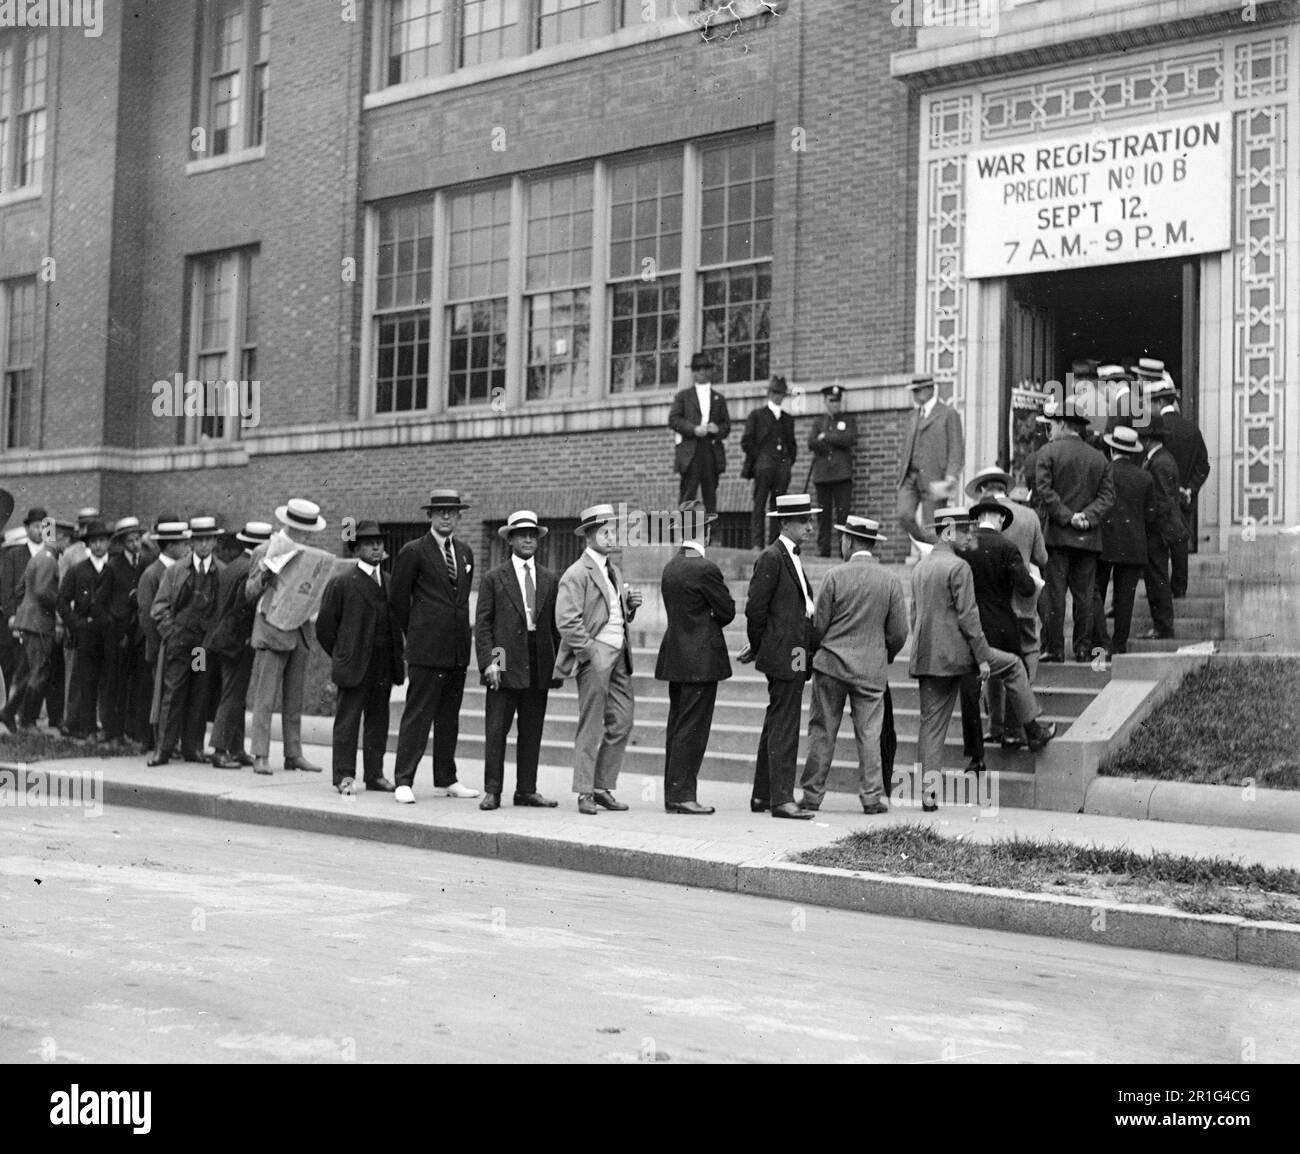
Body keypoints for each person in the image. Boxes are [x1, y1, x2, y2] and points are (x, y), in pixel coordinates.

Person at [909, 507, 1055, 809]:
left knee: (931, 726)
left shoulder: (921, 567)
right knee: (1015, 665)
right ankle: (1032, 729)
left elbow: (915, 616)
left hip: (927, 656)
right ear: (948, 532)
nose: (968, 535)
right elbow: (968, 617)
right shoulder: (957, 566)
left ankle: (928, 794)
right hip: (961, 655)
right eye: (963, 530)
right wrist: (983, 658)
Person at [797, 515, 907, 815]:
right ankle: (872, 797)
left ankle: (811, 795)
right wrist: (884, 655)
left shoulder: (834, 575)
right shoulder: (890, 580)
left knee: (822, 730)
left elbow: (819, 626)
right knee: (870, 733)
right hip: (870, 670)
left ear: (849, 541)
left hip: (831, 665)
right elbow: (899, 632)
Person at [389, 488, 478, 802]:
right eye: (439, 511)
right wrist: (416, 634)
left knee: (449, 717)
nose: (445, 516)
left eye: (451, 512)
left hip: (456, 650)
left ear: (458, 516)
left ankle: (446, 778)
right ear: (429, 515)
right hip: (426, 649)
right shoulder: (414, 550)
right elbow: (398, 600)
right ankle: (403, 780)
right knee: (418, 715)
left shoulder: (466, 553)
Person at [554, 504, 641, 815]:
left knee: (622, 721)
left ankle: (602, 786)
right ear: (588, 536)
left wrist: (629, 606)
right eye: (605, 531)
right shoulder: (577, 572)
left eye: (614, 530)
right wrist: (589, 652)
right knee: (591, 725)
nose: (611, 536)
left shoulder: (612, 570)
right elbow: (566, 620)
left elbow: (609, 611)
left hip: (619, 656)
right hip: (596, 656)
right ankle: (585, 792)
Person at [474, 510, 561, 811]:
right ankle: (492, 790)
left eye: (532, 534)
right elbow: (484, 625)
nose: (527, 539)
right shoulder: (493, 578)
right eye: (521, 534)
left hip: (538, 659)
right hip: (506, 658)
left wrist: (557, 664)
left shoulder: (550, 578)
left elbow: (554, 626)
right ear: (510, 539)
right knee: (497, 728)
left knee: (532, 728)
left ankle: (526, 789)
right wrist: (492, 663)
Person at [654, 499, 734, 815]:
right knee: (693, 730)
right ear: (705, 530)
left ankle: (674, 793)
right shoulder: (705, 568)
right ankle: (683, 796)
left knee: (678, 727)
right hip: (702, 661)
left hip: (676, 657)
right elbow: (727, 610)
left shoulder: (671, 566)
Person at [743, 492, 820, 820]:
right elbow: (755, 609)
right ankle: (782, 800)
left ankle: (764, 795)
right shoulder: (773, 557)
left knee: (779, 718)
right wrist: (761, 647)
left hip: (797, 652)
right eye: (804, 521)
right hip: (785, 653)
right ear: (785, 523)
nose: (810, 527)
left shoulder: (790, 556)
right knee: (785, 724)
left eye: (811, 520)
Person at [317, 520, 402, 795]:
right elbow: (325, 628)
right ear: (357, 548)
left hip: (383, 664)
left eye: (379, 543)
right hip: (354, 664)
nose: (376, 547)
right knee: (348, 722)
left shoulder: (389, 582)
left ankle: (375, 774)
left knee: (378, 722)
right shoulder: (343, 583)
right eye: (368, 543)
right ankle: (344, 776)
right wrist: (343, 653)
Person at [245, 498, 328, 776]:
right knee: (265, 696)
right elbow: (249, 592)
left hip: (300, 629)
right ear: (289, 526)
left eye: (308, 532)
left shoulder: (307, 552)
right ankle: (260, 753)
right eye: (302, 531)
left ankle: (293, 753)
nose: (305, 536)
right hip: (272, 628)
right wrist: (266, 573)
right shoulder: (264, 550)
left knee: (294, 698)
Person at [966, 465, 1047, 748]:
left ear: (982, 491)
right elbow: (1042, 558)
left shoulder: (969, 539)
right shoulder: (1028, 515)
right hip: (1019, 607)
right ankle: (1018, 729)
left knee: (993, 665)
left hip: (982, 614)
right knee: (1022, 663)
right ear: (1006, 487)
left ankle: (996, 725)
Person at [954, 499, 1039, 770]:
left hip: (970, 626)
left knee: (974, 685)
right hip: (1002, 622)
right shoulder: (1007, 547)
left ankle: (985, 740)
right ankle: (1015, 731)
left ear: (978, 520)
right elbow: (1026, 588)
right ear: (1001, 519)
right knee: (1016, 669)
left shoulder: (964, 547)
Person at [1035, 396, 1115, 662]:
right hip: (1088, 537)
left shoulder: (1048, 453)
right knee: (1085, 597)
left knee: (1054, 596)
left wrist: (1068, 518)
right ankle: (1082, 648)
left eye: (1052, 424)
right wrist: (1085, 517)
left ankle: (1054, 649)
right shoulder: (1099, 458)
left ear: (1061, 424)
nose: (1051, 430)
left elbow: (1044, 492)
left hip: (1057, 536)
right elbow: (1107, 497)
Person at [150, 515, 226, 765]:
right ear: (191, 543)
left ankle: (192, 747)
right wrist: (171, 633)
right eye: (199, 540)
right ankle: (163, 749)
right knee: (173, 694)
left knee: (198, 693)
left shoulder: (221, 572)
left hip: (202, 648)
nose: (204, 545)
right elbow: (159, 607)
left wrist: (212, 639)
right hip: (179, 641)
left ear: (215, 542)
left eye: (209, 540)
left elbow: (223, 611)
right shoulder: (176, 571)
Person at [205, 520, 273, 768]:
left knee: (236, 693)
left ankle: (236, 748)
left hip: (223, 638)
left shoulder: (235, 565)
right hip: (237, 640)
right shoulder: (251, 569)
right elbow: (242, 607)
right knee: (233, 695)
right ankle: (220, 750)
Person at [1, 517, 75, 733]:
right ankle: (27, 721)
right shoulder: (50, 560)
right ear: (60, 538)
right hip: (39, 625)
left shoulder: (38, 557)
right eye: (67, 541)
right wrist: (59, 604)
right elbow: (43, 591)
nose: (67, 546)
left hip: (29, 622)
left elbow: (20, 588)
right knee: (39, 672)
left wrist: (25, 608)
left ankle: (8, 712)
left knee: (28, 672)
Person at [1090, 427, 1158, 656]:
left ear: (1112, 448)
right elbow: (1151, 515)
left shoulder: (1105, 471)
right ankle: (1119, 645)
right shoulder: (1145, 476)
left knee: (1095, 590)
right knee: (1125, 598)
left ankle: (1101, 639)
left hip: (1104, 542)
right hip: (1133, 544)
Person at [1148, 376, 1209, 599]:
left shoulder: (1153, 430)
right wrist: (1189, 489)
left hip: (1159, 497)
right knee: (1180, 540)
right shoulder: (1192, 429)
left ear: (1159, 404)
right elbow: (1203, 464)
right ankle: (1179, 588)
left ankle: (1161, 590)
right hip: (1183, 497)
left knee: (1157, 545)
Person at [93, 517, 150, 749]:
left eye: (137, 539)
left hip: (139, 634)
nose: (135, 544)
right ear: (122, 543)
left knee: (137, 685)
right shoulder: (113, 567)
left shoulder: (146, 563)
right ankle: (111, 731)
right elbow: (98, 603)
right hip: (118, 636)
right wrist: (113, 627)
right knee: (114, 684)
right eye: (130, 540)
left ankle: (132, 732)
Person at [56, 520, 114, 741]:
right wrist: (74, 623)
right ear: (88, 545)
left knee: (108, 680)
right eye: (94, 542)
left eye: (102, 541)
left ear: (109, 543)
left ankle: (107, 727)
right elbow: (62, 600)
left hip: (108, 633)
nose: (98, 545)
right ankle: (87, 727)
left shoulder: (113, 568)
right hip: (86, 633)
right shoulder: (78, 570)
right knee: (86, 680)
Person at [137, 517, 190, 752]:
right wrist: (163, 644)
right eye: (182, 543)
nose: (187, 547)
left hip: (186, 647)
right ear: (170, 545)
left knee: (181, 693)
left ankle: (177, 740)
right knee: (161, 696)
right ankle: (160, 741)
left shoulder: (184, 569)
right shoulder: (153, 573)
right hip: (162, 647)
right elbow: (147, 616)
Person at [896, 374, 964, 547]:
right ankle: (924, 543)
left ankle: (932, 557)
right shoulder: (913, 416)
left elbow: (956, 448)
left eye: (918, 390)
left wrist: (951, 476)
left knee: (932, 524)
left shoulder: (948, 413)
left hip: (935, 477)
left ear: (930, 389)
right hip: (910, 477)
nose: (915, 394)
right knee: (904, 514)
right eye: (914, 391)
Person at [1139, 414, 1186, 641]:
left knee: (1157, 579)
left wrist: (1147, 518)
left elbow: (1163, 501)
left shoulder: (1159, 462)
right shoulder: (1162, 459)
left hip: (1158, 531)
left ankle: (1163, 627)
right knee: (1157, 578)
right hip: (1161, 529)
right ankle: (1161, 626)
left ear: (1148, 439)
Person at [667, 351, 730, 515]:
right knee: (688, 494)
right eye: (698, 368)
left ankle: (707, 535)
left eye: (705, 368)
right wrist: (693, 429)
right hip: (691, 451)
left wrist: (717, 430)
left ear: (710, 371)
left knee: (710, 494)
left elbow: (726, 426)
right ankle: (685, 535)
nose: (702, 372)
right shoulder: (684, 396)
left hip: (710, 450)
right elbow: (674, 419)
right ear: (693, 372)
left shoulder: (719, 398)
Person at [740, 375, 797, 550]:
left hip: (781, 467)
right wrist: (761, 458)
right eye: (775, 392)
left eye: (781, 393)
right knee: (759, 503)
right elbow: (746, 442)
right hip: (763, 466)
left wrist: (787, 462)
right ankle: (757, 543)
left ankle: (774, 543)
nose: (778, 396)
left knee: (778, 505)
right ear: (769, 394)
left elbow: (792, 444)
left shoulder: (787, 419)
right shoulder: (757, 415)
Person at [808, 384, 857, 557]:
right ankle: (824, 551)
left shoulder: (848, 420)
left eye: (837, 401)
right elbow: (812, 442)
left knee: (843, 514)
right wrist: (834, 440)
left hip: (842, 475)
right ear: (825, 401)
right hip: (823, 476)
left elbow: (850, 439)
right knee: (824, 516)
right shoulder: (818, 422)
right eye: (831, 401)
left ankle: (844, 551)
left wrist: (827, 437)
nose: (835, 404)